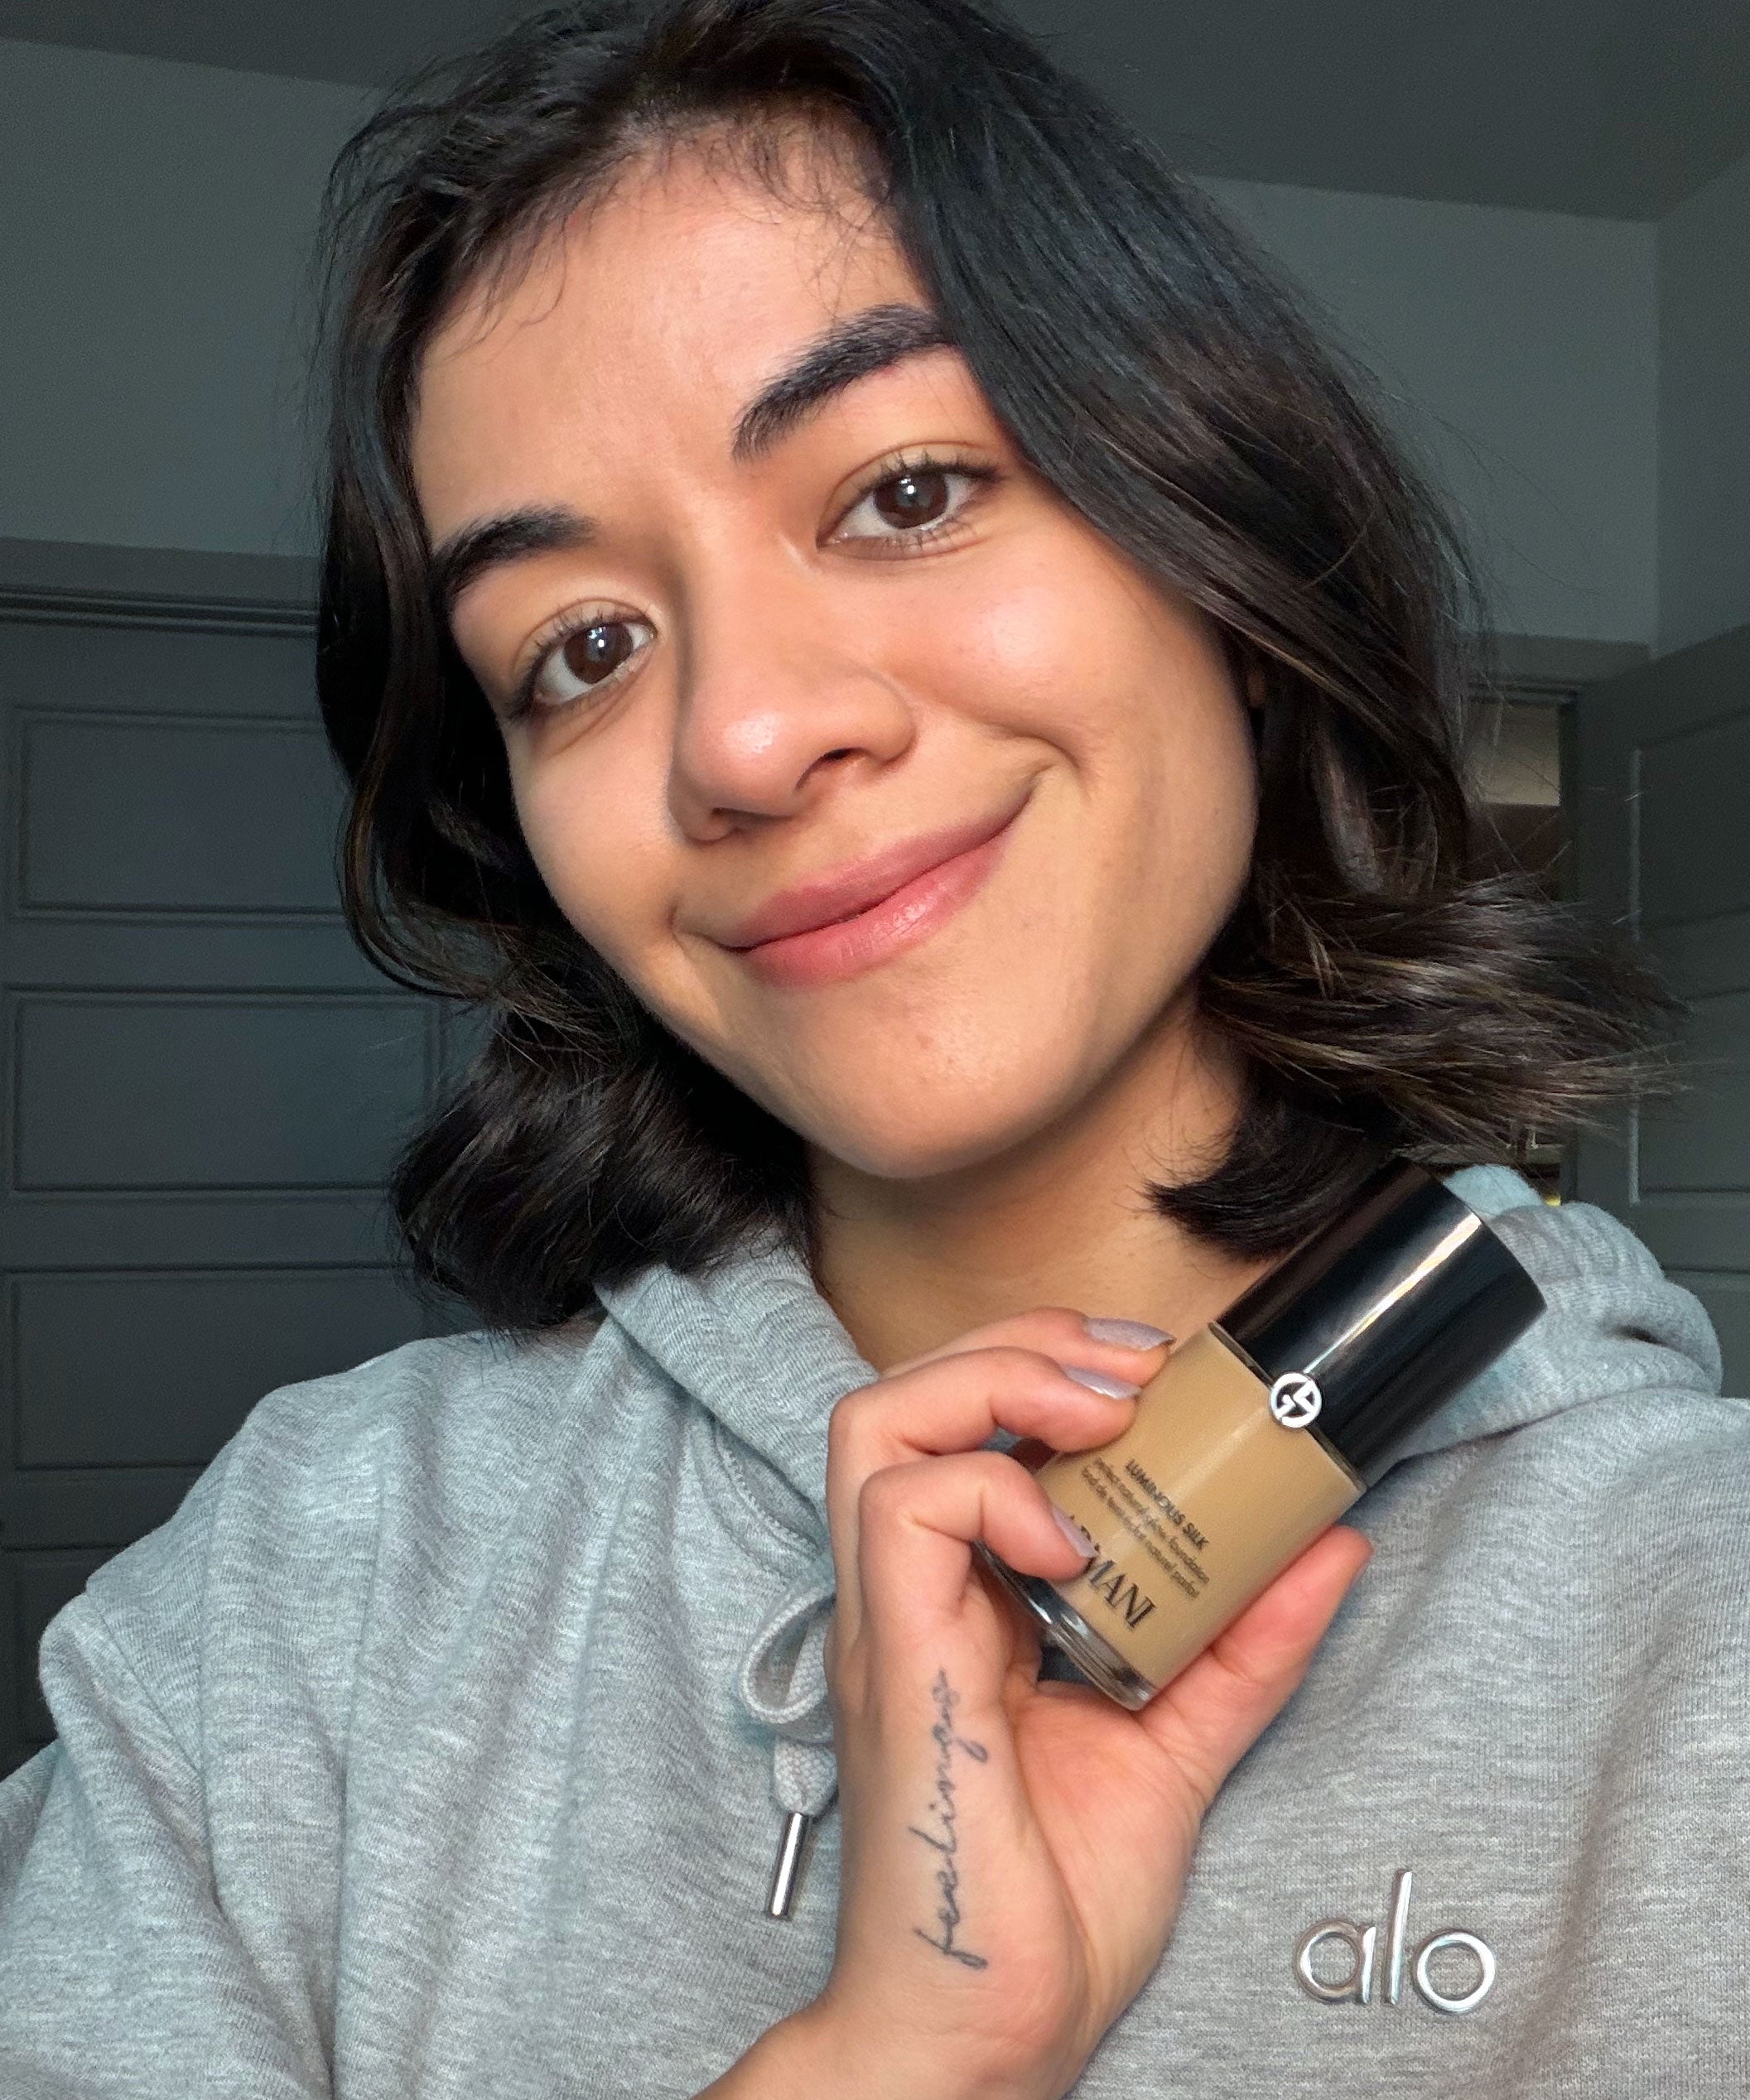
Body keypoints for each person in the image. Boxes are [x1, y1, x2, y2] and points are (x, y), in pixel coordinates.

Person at [1, 1, 1743, 2093]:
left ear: (1229, 558)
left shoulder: (1702, 1619)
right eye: (582, 647)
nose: (741, 736)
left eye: (905, 490)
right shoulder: (308, 1580)